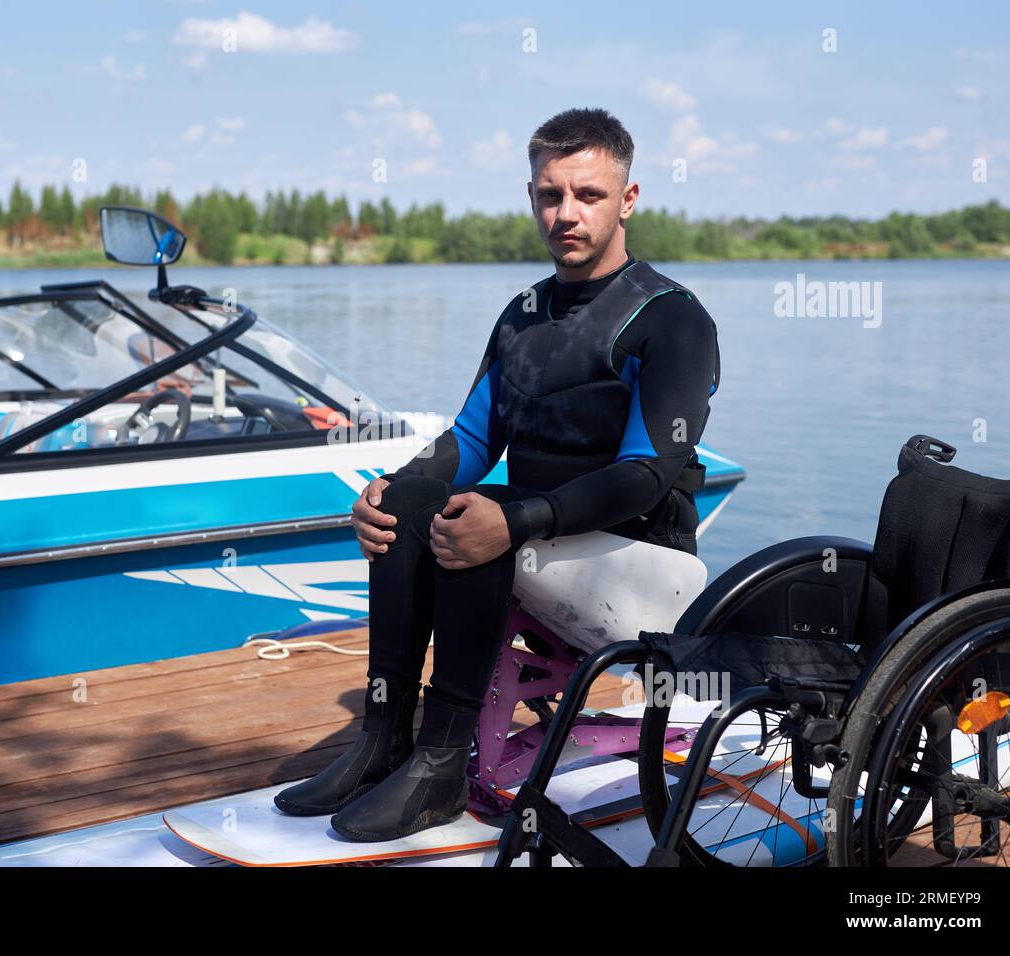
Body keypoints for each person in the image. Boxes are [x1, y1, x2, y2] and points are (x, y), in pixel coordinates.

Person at [274, 107, 721, 842]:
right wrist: (389, 488)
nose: (566, 214)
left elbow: (646, 473)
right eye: (550, 195)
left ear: (629, 200)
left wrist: (516, 519)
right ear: (531, 196)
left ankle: (441, 764)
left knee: (477, 511)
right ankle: (384, 738)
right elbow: (472, 436)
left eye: (589, 195)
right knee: (413, 501)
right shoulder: (522, 314)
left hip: (644, 564)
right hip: (548, 542)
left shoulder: (672, 319)